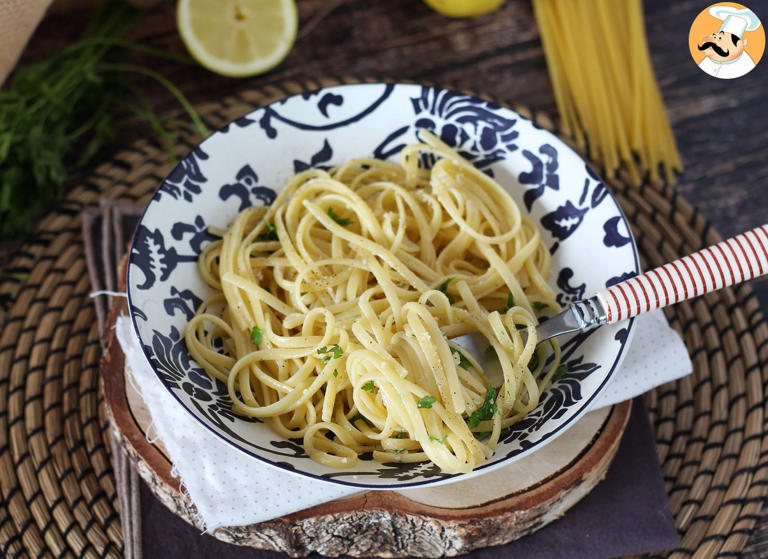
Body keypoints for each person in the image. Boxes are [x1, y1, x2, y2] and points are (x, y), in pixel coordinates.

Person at [698, 5, 761, 79]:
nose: (713, 42)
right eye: (714, 36)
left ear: (741, 43)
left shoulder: (745, 66)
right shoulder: (706, 62)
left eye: (720, 38)